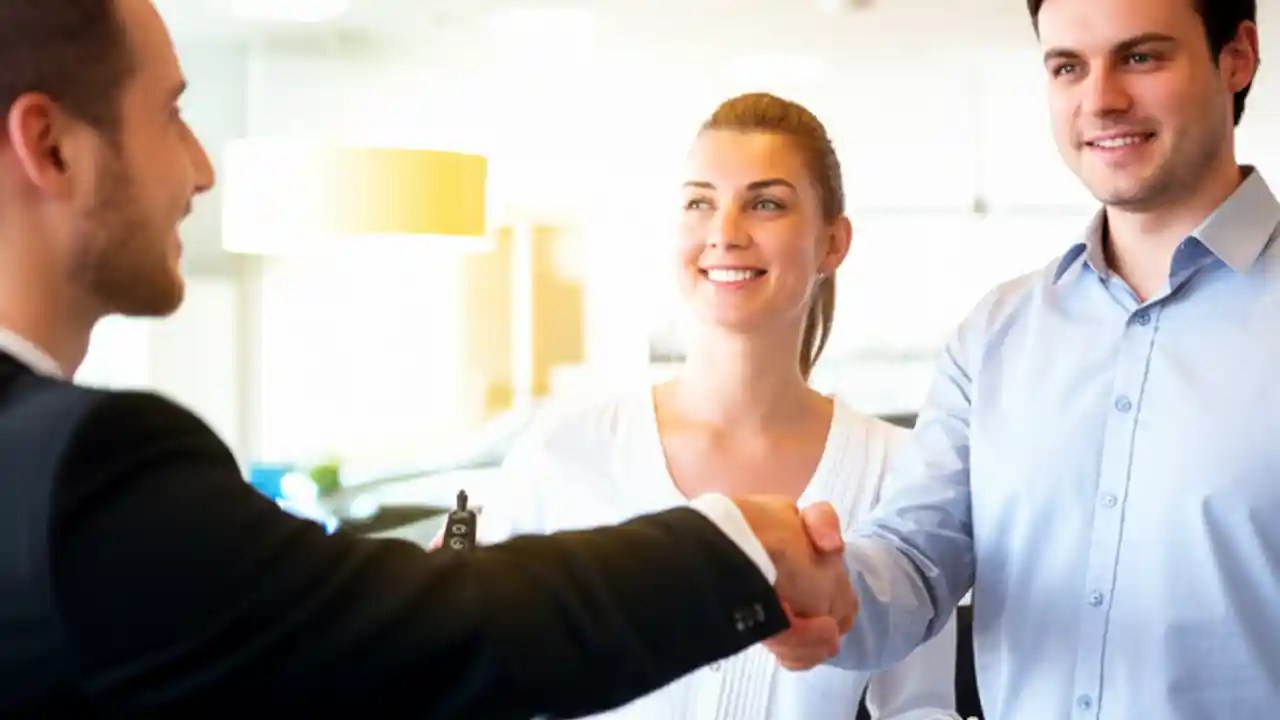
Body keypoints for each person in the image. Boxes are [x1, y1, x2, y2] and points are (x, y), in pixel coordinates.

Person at [0, 1, 859, 716]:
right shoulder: (80, 469)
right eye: (173, 113)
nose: (200, 170)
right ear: (51, 147)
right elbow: (434, 632)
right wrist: (743, 548)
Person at [765, 0, 1279, 718]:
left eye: (1141, 57)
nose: (1101, 100)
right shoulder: (995, 335)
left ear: (1237, 57)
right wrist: (821, 588)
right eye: (1068, 66)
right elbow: (913, 562)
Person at [467, 93, 959, 719]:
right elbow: (488, 682)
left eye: (766, 203)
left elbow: (921, 710)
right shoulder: (566, 448)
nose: (725, 233)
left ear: (833, 242)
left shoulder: (900, 472)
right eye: (700, 202)